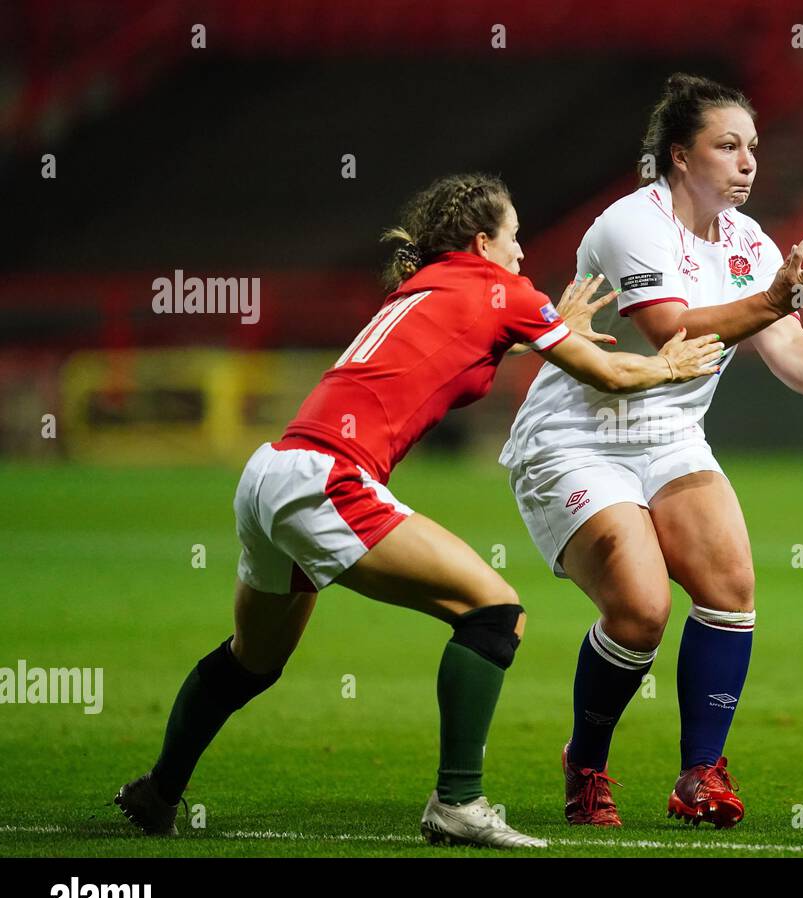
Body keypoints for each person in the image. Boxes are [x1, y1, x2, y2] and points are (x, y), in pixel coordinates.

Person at [114, 172, 724, 849]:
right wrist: (669, 365)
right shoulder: (505, 291)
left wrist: (546, 329)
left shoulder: (426, 284)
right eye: (514, 239)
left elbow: (455, 345)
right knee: (493, 613)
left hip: (272, 474)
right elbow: (608, 372)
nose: (522, 255)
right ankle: (458, 802)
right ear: (481, 241)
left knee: (250, 660)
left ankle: (158, 792)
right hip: (331, 479)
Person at [499, 75, 803, 829]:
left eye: (752, 147)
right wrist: (773, 299)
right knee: (641, 610)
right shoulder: (631, 224)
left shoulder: (748, 240)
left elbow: (784, 340)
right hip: (578, 437)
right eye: (727, 146)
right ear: (679, 157)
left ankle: (700, 773)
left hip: (668, 436)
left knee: (730, 584)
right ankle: (587, 762)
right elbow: (671, 331)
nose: (746, 161)